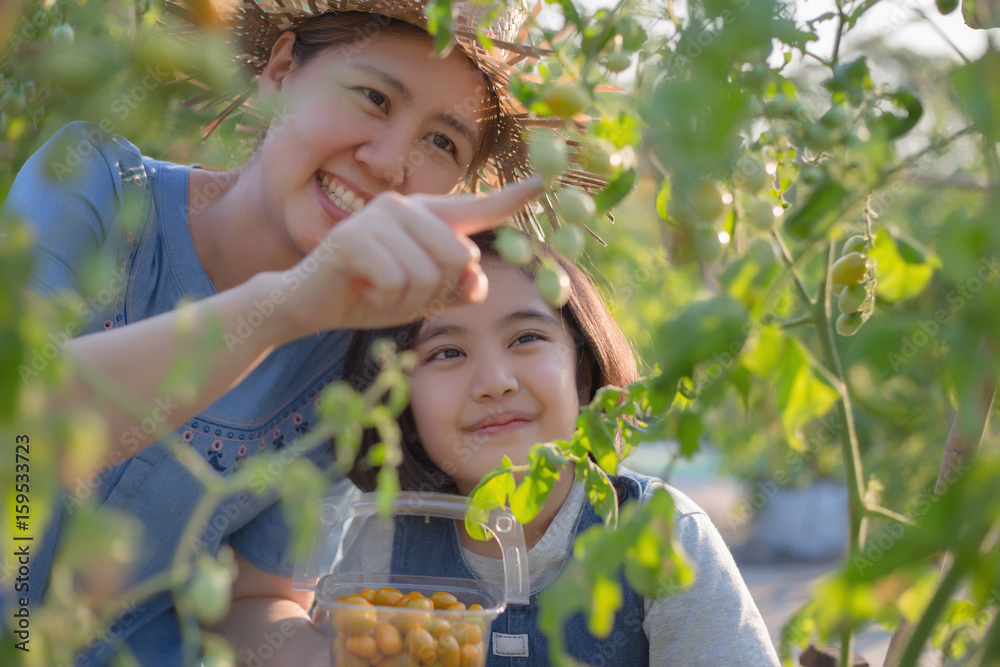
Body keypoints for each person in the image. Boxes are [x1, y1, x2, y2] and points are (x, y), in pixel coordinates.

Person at [2, 1, 554, 664]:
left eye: (441, 142)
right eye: (374, 96)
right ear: (282, 71)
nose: (388, 162)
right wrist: (287, 306)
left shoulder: (351, 359)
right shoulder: (91, 184)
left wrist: (338, 655)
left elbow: (250, 599)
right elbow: (22, 428)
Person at [341, 230, 782, 666]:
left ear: (583, 376)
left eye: (526, 338)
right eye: (447, 352)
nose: (495, 382)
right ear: (399, 404)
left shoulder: (664, 534)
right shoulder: (385, 544)